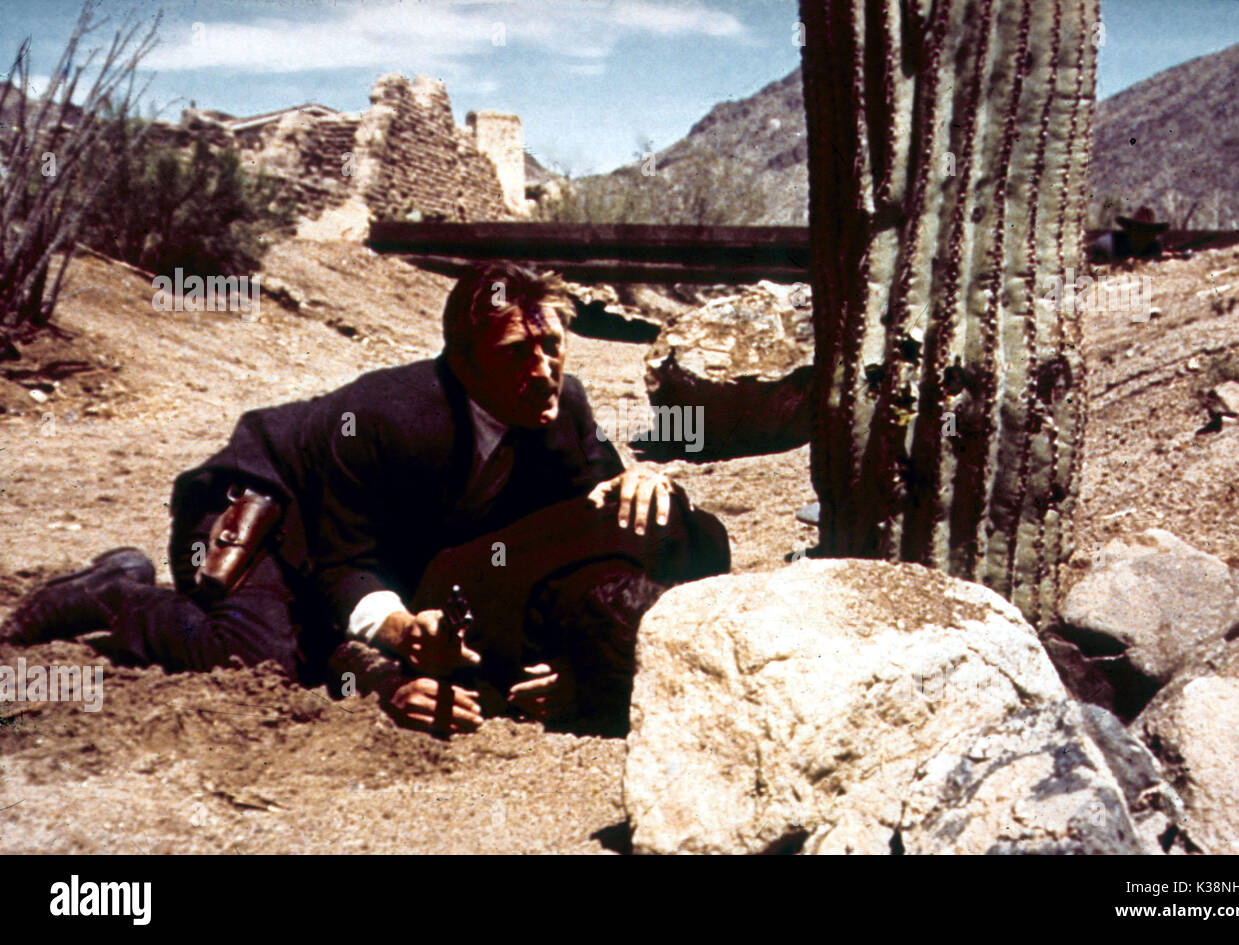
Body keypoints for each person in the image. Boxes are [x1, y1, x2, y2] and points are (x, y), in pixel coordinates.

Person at [2, 261, 729, 735]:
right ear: (464, 361)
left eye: (554, 346)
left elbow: (590, 501)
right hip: (271, 498)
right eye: (518, 353)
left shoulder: (561, 404)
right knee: (255, 655)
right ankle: (116, 594)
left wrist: (644, 478)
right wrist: (395, 642)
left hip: (384, 538)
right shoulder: (392, 417)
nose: (543, 371)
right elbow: (340, 565)